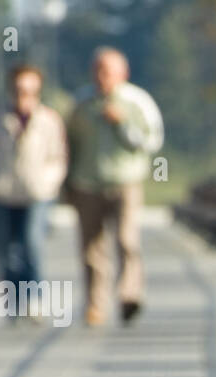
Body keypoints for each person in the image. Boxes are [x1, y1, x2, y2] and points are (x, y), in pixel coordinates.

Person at [64, 47, 164, 327]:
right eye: (97, 70)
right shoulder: (81, 104)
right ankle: (96, 306)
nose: (101, 77)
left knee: (126, 240)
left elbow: (151, 142)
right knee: (91, 250)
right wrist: (66, 184)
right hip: (87, 184)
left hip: (125, 183)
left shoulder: (137, 101)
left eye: (107, 71)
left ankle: (129, 295)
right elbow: (68, 144)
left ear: (123, 74)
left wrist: (123, 124)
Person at [0, 64, 68, 316]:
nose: (23, 93)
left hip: (36, 194)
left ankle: (34, 299)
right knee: (6, 248)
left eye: (29, 88)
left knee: (31, 243)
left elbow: (58, 157)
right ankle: (13, 303)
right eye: (19, 88)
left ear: (38, 89)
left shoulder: (49, 120)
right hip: (1, 193)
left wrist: (47, 183)